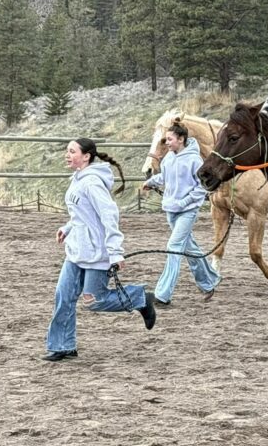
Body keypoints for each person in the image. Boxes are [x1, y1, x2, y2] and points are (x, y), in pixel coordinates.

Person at [44, 138, 156, 362]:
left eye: (72, 151)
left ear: (86, 156)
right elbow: (81, 214)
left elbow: (109, 215)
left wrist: (115, 251)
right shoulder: (77, 179)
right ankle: (63, 345)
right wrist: (67, 228)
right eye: (67, 151)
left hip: (96, 252)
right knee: (63, 295)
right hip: (77, 249)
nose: (67, 155)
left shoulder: (92, 182)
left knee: (96, 301)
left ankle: (140, 298)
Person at [142, 123, 221, 306]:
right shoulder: (169, 158)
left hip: (187, 211)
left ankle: (162, 295)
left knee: (173, 247)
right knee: (189, 248)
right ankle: (209, 282)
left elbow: (201, 187)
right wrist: (152, 182)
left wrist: (184, 202)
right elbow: (165, 177)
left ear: (181, 139)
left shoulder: (195, 160)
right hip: (171, 210)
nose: (167, 143)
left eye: (170, 139)